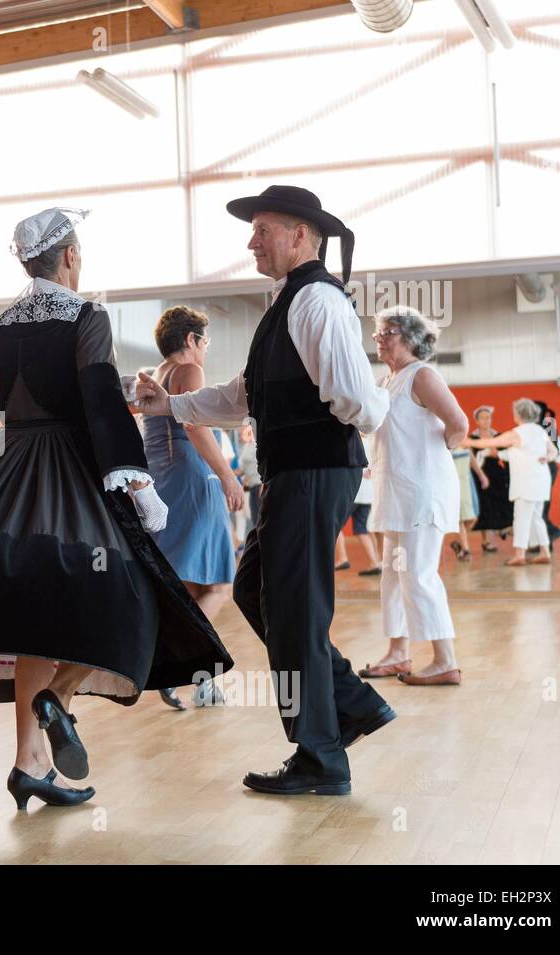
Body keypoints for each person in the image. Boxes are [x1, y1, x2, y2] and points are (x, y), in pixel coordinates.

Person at [0, 207, 231, 811]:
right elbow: (97, 403)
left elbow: (24, 406)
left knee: (37, 613)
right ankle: (57, 697)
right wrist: (138, 483)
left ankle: (30, 764)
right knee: (139, 597)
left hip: (13, 471)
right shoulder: (86, 314)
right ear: (71, 257)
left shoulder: (2, 327)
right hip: (73, 471)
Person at [136, 185, 394, 796]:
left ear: (300, 235)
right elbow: (243, 395)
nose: (251, 241)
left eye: (262, 230)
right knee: (255, 591)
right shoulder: (287, 303)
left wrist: (337, 417)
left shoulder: (318, 303)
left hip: (313, 471)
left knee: (295, 611)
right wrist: (171, 404)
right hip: (293, 475)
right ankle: (350, 703)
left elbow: (357, 400)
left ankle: (321, 756)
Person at [139, 307, 241, 710]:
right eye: (204, 342)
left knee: (189, 585)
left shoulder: (155, 372)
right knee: (220, 585)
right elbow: (195, 426)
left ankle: (196, 675)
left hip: (162, 481)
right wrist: (228, 476)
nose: (205, 351)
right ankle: (178, 661)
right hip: (193, 479)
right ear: (190, 340)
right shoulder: (188, 371)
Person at [357, 307, 465, 686]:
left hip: (422, 493)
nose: (379, 338)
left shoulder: (422, 376)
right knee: (393, 574)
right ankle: (398, 653)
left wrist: (431, 459)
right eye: (378, 332)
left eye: (388, 331)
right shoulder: (387, 381)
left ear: (411, 337)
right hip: (396, 493)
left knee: (418, 575)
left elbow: (459, 425)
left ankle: (445, 661)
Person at [465, 399, 556, 566]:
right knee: (537, 517)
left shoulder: (518, 433)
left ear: (519, 414)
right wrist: (547, 457)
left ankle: (519, 555)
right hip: (541, 482)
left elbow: (492, 442)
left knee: (521, 518)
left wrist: (468, 442)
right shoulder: (540, 431)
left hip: (526, 484)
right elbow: (554, 451)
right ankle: (545, 552)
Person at [470, 405, 512, 551]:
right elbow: (472, 459)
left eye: (488, 417)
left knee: (503, 501)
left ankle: (503, 528)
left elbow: (506, 454)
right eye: (483, 418)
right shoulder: (472, 438)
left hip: (497, 474)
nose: (486, 420)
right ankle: (485, 541)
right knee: (484, 507)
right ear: (476, 421)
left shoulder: (497, 436)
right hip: (480, 475)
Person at [535, 401, 560, 547]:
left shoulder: (547, 426)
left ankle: (550, 534)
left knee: (540, 507)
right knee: (541, 507)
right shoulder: (542, 426)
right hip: (543, 469)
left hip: (546, 468)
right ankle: (546, 543)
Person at [448, 444, 483, 561]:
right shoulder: (446, 443)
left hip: (468, 483)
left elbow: (472, 460)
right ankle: (466, 550)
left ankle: (458, 543)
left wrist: (481, 475)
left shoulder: (465, 442)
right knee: (461, 518)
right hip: (453, 483)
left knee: (473, 518)